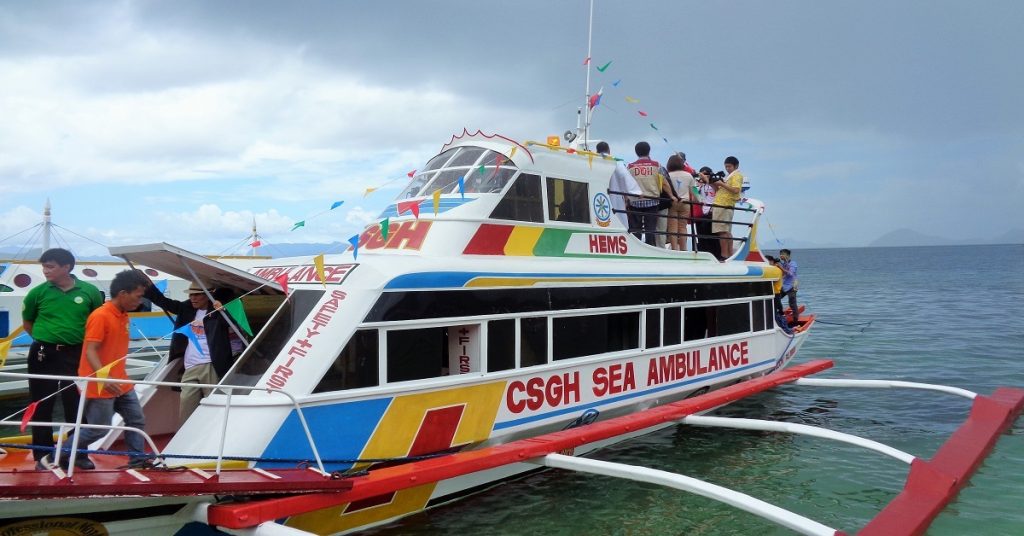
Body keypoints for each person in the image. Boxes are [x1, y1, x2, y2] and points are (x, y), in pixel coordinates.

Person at [21, 248, 103, 470]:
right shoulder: (38, 293)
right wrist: (46, 340)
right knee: (41, 404)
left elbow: (97, 321)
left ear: (66, 267)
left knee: (76, 404)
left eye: (50, 266)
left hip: (76, 353)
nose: (45, 271)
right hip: (43, 353)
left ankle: (78, 453)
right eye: (44, 266)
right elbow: (28, 322)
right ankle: (42, 456)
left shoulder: (90, 292)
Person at [63, 269, 151, 471]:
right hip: (99, 382)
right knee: (97, 430)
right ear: (123, 294)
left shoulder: (123, 315)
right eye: (138, 296)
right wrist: (105, 378)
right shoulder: (101, 316)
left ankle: (138, 461)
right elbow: (90, 351)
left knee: (136, 420)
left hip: (121, 381)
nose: (141, 301)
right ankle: (56, 455)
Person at [144, 281, 241, 424]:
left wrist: (223, 311)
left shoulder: (217, 311)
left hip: (211, 366)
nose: (193, 298)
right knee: (186, 406)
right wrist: (148, 286)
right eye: (191, 295)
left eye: (197, 295)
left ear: (208, 295)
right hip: (190, 366)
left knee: (214, 407)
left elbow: (234, 323)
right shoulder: (186, 308)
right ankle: (183, 440)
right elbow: (164, 302)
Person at [627, 141, 677, 246]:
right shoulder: (657, 165)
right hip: (652, 201)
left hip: (635, 201)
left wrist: (626, 199)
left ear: (636, 152)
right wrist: (672, 196)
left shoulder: (630, 167)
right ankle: (650, 247)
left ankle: (636, 249)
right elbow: (664, 183)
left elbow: (626, 184)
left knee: (636, 229)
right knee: (651, 228)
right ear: (649, 151)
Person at [596, 141, 642, 228]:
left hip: (598, 195)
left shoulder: (593, 160)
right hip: (614, 194)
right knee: (618, 217)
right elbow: (624, 175)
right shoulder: (615, 161)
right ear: (609, 150)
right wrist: (636, 192)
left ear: (597, 151)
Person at [711, 156, 744, 259]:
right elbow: (720, 190)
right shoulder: (729, 176)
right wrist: (713, 183)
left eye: (729, 166)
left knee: (723, 231)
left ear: (736, 166)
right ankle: (729, 254)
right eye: (726, 167)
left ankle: (724, 254)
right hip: (723, 204)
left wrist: (721, 183)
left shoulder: (736, 175)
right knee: (725, 231)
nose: (727, 169)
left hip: (724, 205)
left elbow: (735, 190)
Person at [665, 154, 695, 251]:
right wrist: (697, 200)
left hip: (672, 202)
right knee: (683, 227)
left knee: (672, 227)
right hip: (685, 203)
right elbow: (695, 193)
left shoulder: (668, 175)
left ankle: (674, 249)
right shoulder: (689, 175)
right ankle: (684, 249)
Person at [694, 167, 721, 259]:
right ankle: (703, 253)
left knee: (712, 235)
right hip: (702, 212)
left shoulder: (715, 183)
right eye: (701, 174)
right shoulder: (701, 186)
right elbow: (698, 198)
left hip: (712, 211)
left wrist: (708, 180)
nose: (702, 176)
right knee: (701, 234)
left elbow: (719, 191)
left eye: (705, 174)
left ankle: (715, 255)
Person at [778, 249, 799, 325]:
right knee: (776, 299)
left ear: (788, 255)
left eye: (783, 254)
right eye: (780, 254)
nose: (781, 256)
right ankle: (780, 314)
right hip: (783, 286)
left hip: (792, 286)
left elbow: (790, 274)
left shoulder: (793, 264)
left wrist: (781, 268)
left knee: (792, 303)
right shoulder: (782, 264)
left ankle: (795, 321)